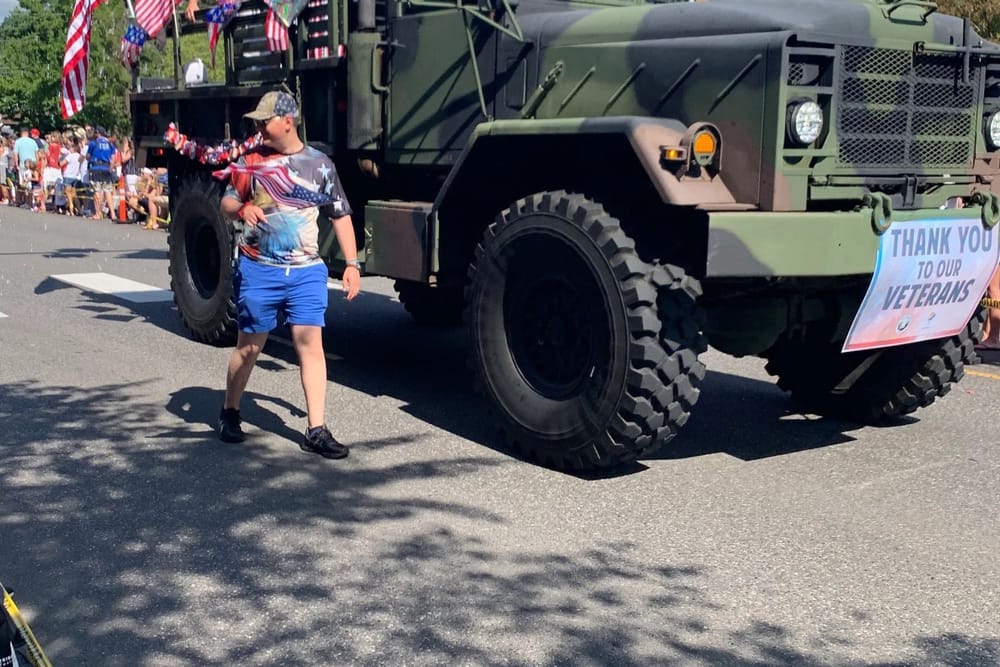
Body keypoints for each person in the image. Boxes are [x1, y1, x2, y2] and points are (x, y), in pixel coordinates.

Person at [217, 91, 360, 459]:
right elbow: (226, 202)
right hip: (258, 269)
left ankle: (316, 429)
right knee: (249, 348)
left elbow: (340, 214)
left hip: (306, 272)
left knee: (310, 345)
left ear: (287, 121)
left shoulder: (320, 165)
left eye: (264, 121)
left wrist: (352, 264)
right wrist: (243, 208)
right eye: (257, 122)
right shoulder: (250, 162)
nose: (259, 127)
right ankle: (230, 410)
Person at [86, 126, 116, 220]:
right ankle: (113, 214)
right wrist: (110, 168)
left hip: (96, 168)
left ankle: (98, 213)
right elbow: (113, 158)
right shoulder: (110, 144)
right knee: (107, 191)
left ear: (98, 133)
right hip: (106, 168)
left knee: (97, 191)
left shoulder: (93, 143)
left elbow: (87, 156)